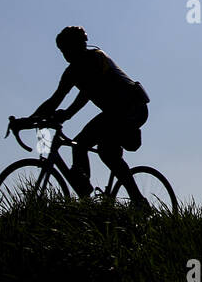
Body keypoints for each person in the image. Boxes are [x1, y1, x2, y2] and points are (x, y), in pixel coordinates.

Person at [29, 26, 150, 204]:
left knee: (99, 150)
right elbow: (54, 100)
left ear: (80, 45)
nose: (65, 54)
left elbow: (87, 92)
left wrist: (67, 114)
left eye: (67, 49)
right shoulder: (71, 72)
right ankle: (86, 197)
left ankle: (138, 201)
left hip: (133, 108)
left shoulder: (96, 58)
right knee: (83, 146)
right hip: (113, 112)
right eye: (62, 51)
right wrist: (28, 120)